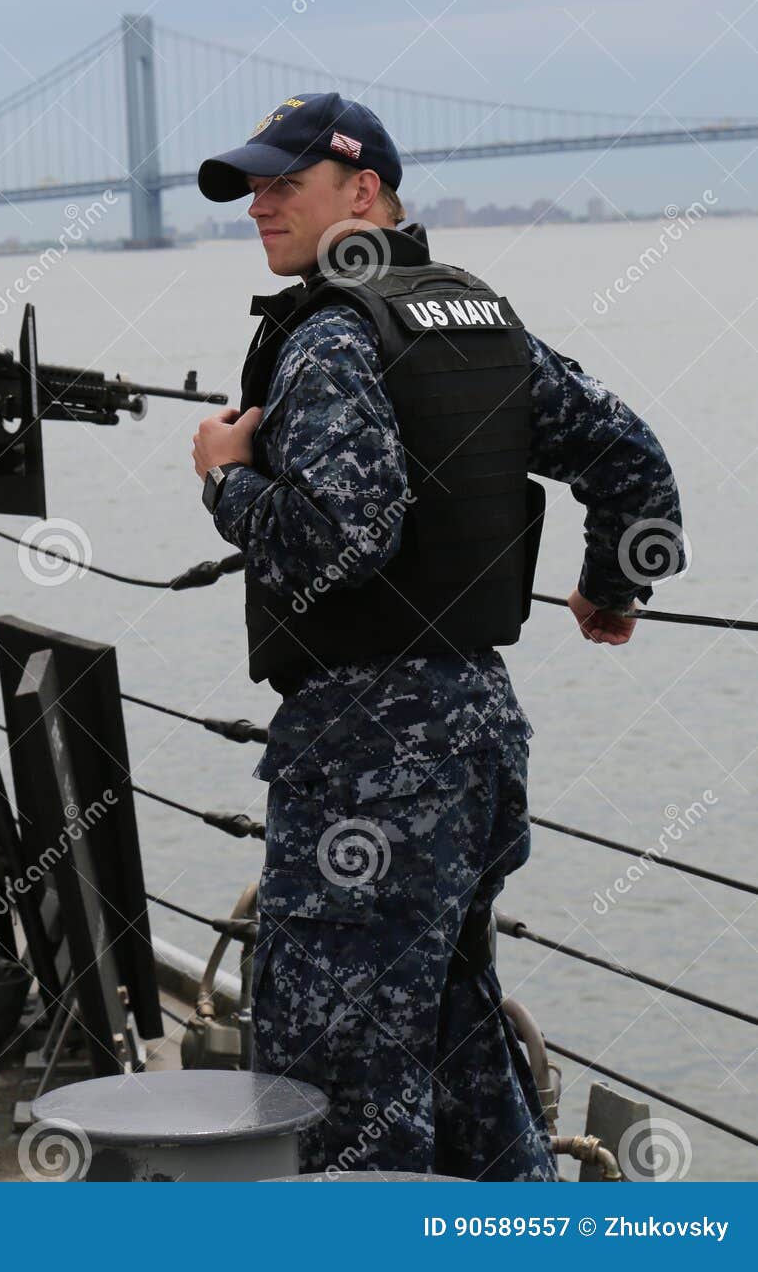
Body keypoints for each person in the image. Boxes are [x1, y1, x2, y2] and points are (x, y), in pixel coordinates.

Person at [191, 91, 685, 1180]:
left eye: (286, 184)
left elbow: (337, 541)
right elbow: (630, 458)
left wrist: (225, 479)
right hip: (473, 734)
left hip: (365, 755)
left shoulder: (329, 337)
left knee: (338, 1083)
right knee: (457, 1040)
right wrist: (613, 587)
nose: (260, 205)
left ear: (360, 192)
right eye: (254, 188)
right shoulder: (477, 319)